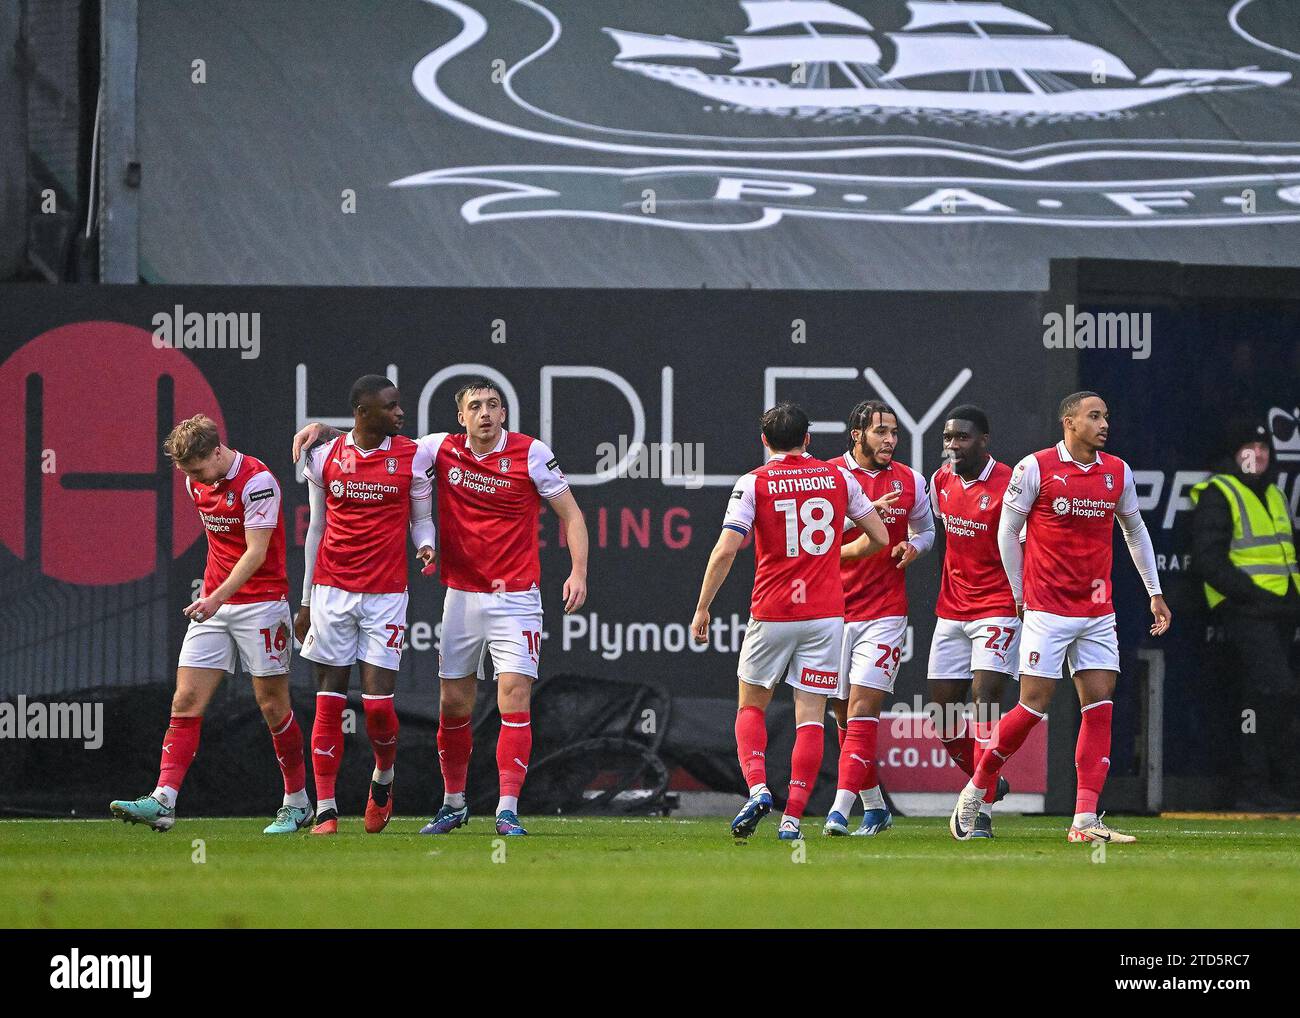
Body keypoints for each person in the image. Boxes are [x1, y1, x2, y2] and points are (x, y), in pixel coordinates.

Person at [294, 380, 588, 837]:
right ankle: (453, 803)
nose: (486, 413)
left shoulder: (531, 453)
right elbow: (374, 435)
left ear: (504, 414)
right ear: (461, 418)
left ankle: (507, 809)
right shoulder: (437, 450)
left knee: (514, 694)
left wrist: (578, 572)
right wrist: (328, 430)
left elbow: (571, 515)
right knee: (453, 704)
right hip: (462, 596)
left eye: (494, 405)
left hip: (516, 599)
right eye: (476, 406)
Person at [949, 391, 1171, 843]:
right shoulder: (1036, 468)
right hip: (1047, 609)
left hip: (1096, 611)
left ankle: (1085, 820)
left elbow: (1135, 530)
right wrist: (1018, 592)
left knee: (1101, 706)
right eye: (1094, 416)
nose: (1104, 423)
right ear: (1069, 422)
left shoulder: (1117, 472)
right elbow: (1007, 532)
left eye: (1106, 416)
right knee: (1034, 705)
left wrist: (1155, 592)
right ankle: (976, 790)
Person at [691, 402, 888, 841]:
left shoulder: (754, 482)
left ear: (764, 442)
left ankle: (759, 789)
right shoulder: (839, 478)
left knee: (751, 705)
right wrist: (833, 556)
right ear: (809, 439)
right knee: (811, 718)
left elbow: (726, 550)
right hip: (824, 615)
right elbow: (879, 536)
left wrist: (703, 606)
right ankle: (792, 820)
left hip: (773, 611)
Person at [110, 415, 308, 834]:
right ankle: (163, 801)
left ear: (217, 451)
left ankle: (296, 802)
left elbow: (256, 553)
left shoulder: (258, 482)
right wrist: (214, 597)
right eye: (187, 472)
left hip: (261, 605)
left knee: (273, 706)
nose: (193, 478)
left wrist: (216, 597)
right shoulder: (192, 480)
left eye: (198, 468)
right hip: (213, 605)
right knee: (184, 701)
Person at [294, 375, 435, 835]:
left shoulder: (413, 456)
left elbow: (422, 520)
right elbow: (315, 530)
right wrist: (306, 600)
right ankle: (327, 809)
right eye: (391, 407)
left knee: (376, 707)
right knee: (329, 702)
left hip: (387, 594)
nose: (400, 413)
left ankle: (383, 777)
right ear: (363, 411)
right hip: (332, 591)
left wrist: (426, 545)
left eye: (400, 405)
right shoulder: (324, 457)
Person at [824, 400, 934, 837]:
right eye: (881, 432)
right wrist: (865, 515)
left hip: (884, 613)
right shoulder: (828, 476)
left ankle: (837, 810)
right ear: (857, 434)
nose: (890, 440)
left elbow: (925, 530)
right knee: (842, 717)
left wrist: (915, 548)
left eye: (894, 433)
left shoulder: (910, 480)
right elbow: (816, 546)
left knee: (864, 708)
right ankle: (875, 808)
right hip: (831, 612)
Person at [1190, 419, 1300, 811]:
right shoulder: (1221, 492)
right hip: (1246, 614)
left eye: (1264, 447)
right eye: (1249, 447)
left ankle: (1272, 787)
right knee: (1272, 693)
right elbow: (1209, 561)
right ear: (1235, 454)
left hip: (1282, 615)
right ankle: (1255, 786)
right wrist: (1252, 598)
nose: (1259, 454)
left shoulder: (1274, 494)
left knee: (1262, 698)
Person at [926, 406, 1016, 838]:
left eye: (961, 438)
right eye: (947, 438)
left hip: (998, 607)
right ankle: (989, 781)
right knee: (941, 715)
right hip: (951, 610)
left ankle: (980, 808)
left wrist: (1024, 599)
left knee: (985, 699)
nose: (952, 446)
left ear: (984, 440)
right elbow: (937, 534)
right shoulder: (940, 481)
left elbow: (1028, 547)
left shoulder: (1011, 485)